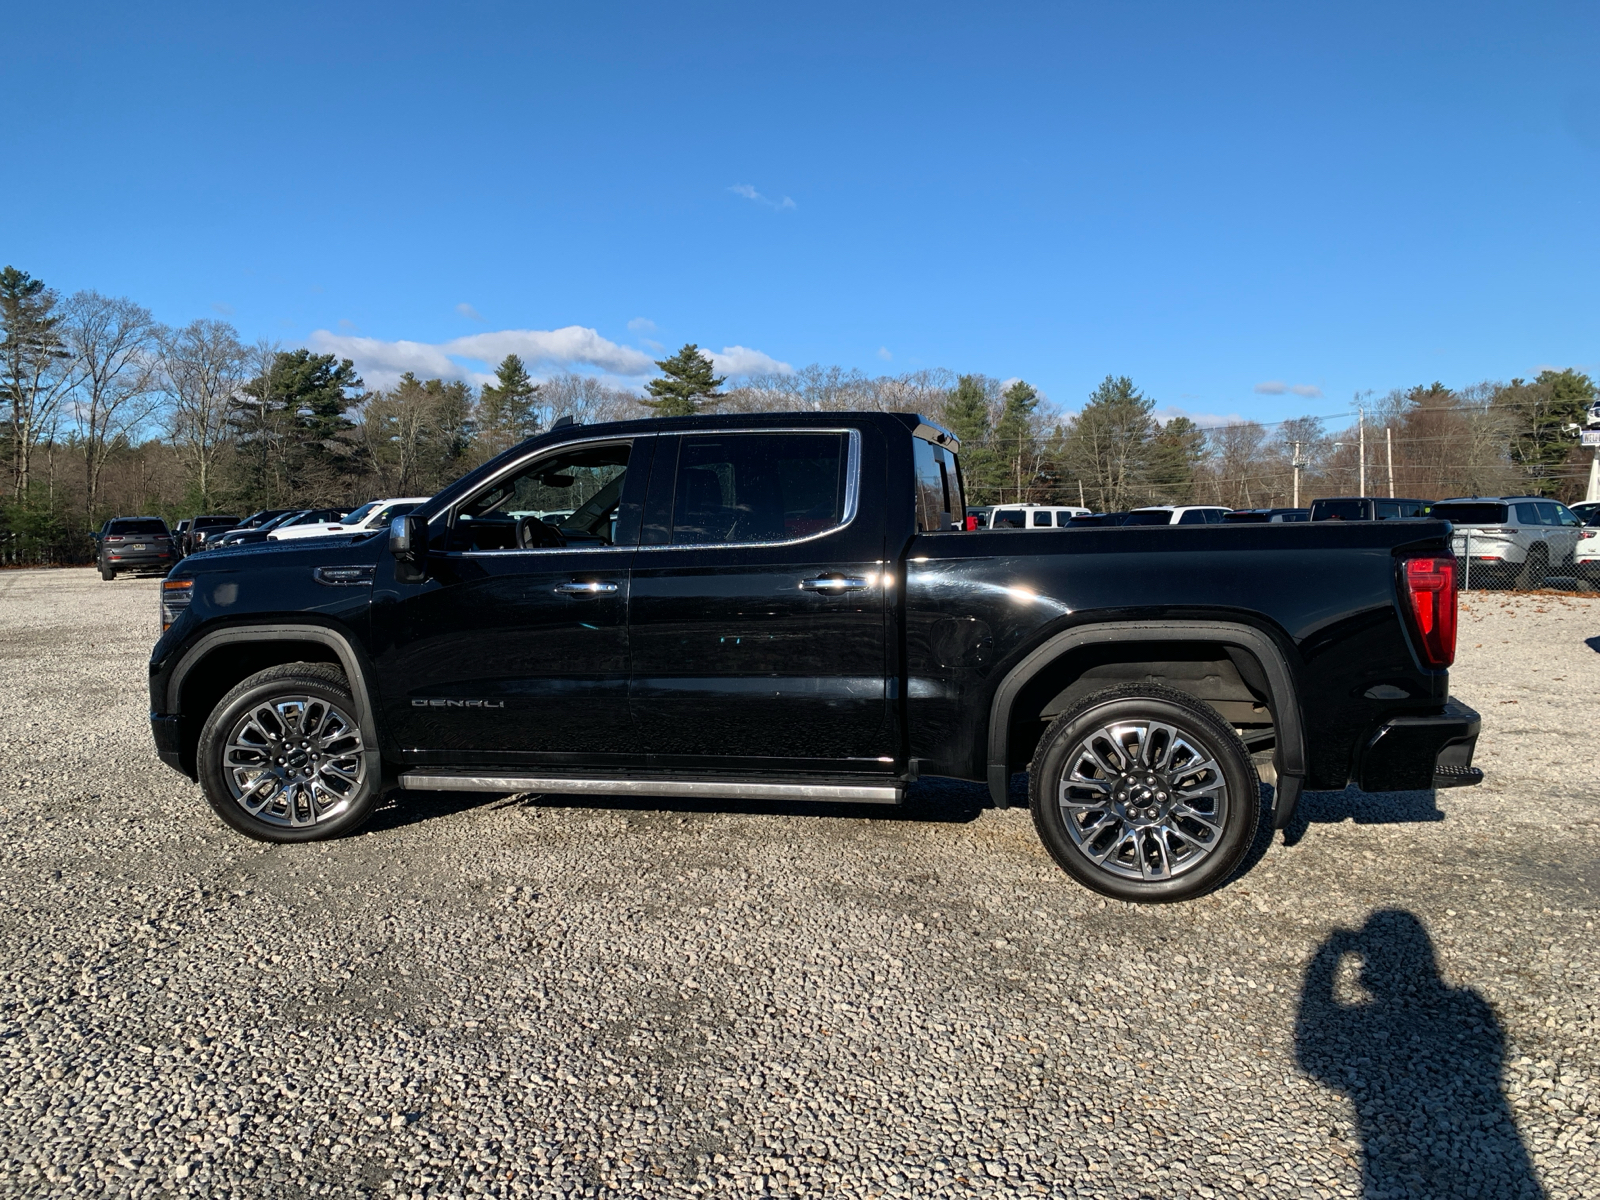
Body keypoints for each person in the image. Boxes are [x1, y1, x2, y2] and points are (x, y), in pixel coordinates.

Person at [1295, 910, 1544, 1198]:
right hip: (1503, 1154)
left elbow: (1311, 1055)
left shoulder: (1461, 1007)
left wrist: (1329, 954)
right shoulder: (1470, 1006)